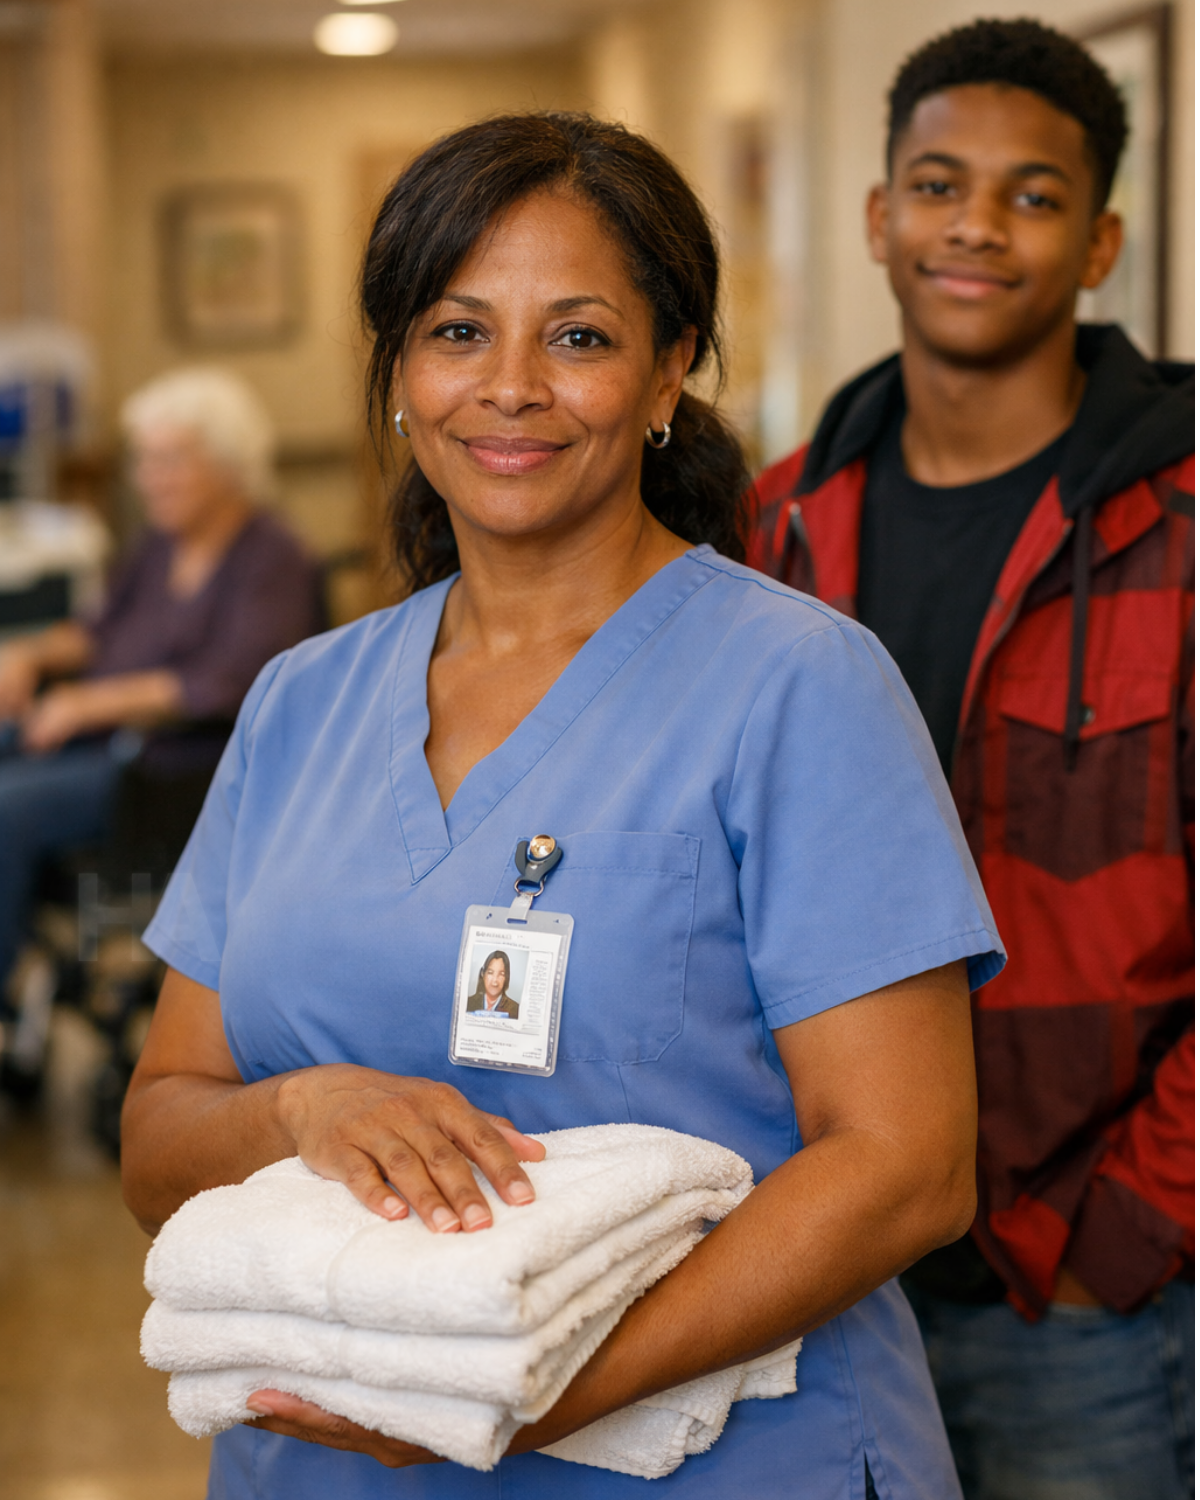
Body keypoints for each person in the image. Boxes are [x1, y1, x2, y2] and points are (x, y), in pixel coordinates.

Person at [122, 112, 1004, 1500]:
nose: (512, 386)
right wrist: (306, 1108)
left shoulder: (798, 687)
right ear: (400, 376)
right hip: (326, 1465)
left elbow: (906, 1167)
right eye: (459, 333)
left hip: (725, 1462)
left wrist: (516, 1402)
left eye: (579, 337)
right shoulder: (302, 703)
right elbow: (162, 1130)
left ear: (668, 376)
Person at [746, 21, 1193, 1500]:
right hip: (814, 1274)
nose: (977, 228)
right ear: (879, 217)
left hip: (1079, 1302)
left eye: (1033, 195)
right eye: (939, 185)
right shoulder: (777, 529)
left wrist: (1123, 1231)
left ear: (1102, 239)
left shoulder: (1183, 522)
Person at [0, 367, 324, 1046]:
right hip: (107, 743)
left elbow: (231, 682)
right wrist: (28, 655)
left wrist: (87, 704)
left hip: (178, 772)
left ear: (228, 464)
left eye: (169, 460)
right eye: (143, 460)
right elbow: (95, 630)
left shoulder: (272, 559)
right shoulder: (157, 547)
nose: (148, 478)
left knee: (8, 806)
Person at [467, 951, 520, 1018]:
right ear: (483, 974)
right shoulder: (468, 1003)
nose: (495, 980)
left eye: (501, 974)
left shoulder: (515, 1009)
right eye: (490, 972)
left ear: (506, 977)